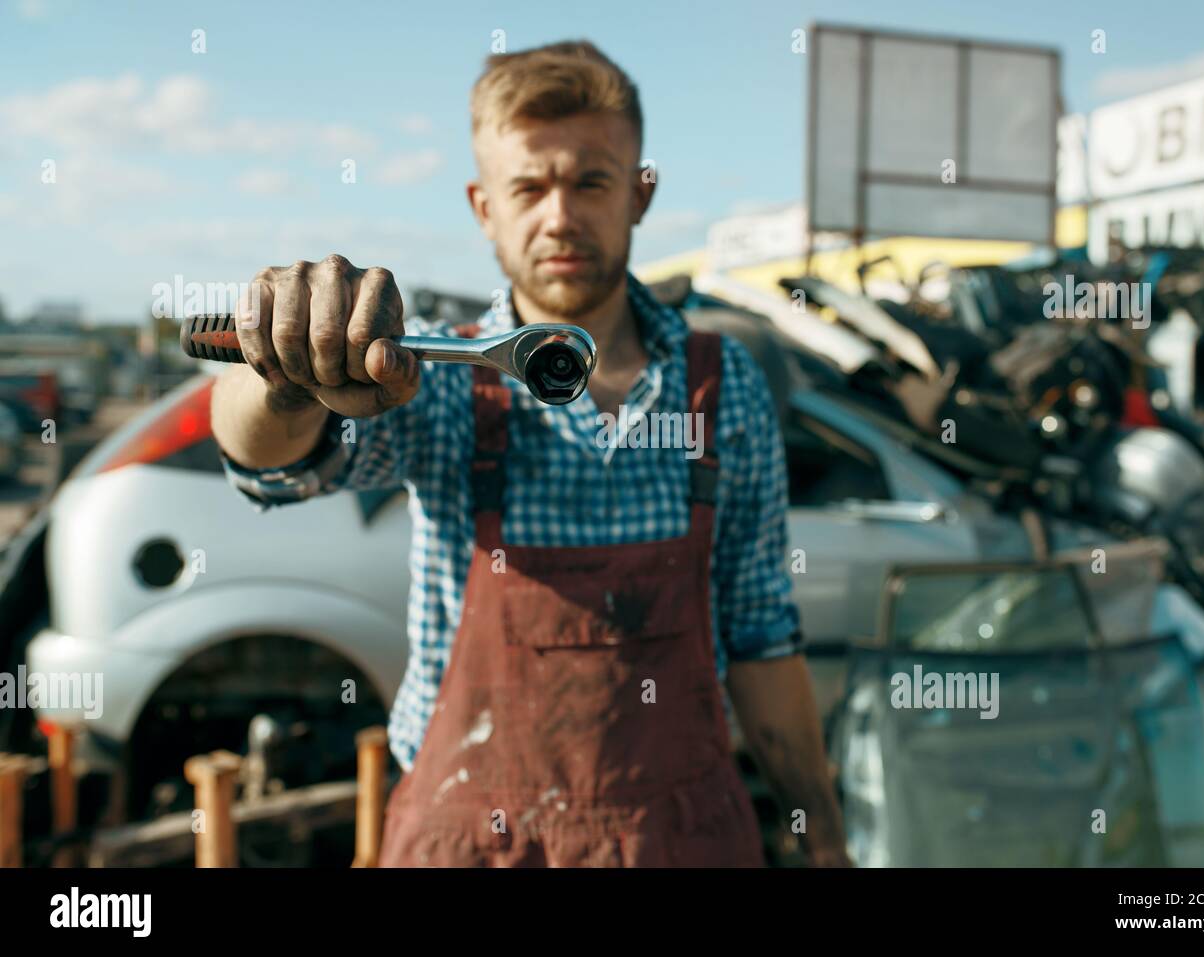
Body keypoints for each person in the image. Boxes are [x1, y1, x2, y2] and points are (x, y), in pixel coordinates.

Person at [211, 39, 849, 867]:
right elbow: (273, 466)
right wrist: (286, 378)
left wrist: (825, 837)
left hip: (682, 839)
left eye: (590, 180)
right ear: (484, 206)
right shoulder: (434, 380)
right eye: (529, 186)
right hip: (469, 842)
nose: (559, 215)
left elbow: (761, 630)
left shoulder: (722, 386)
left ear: (640, 193)